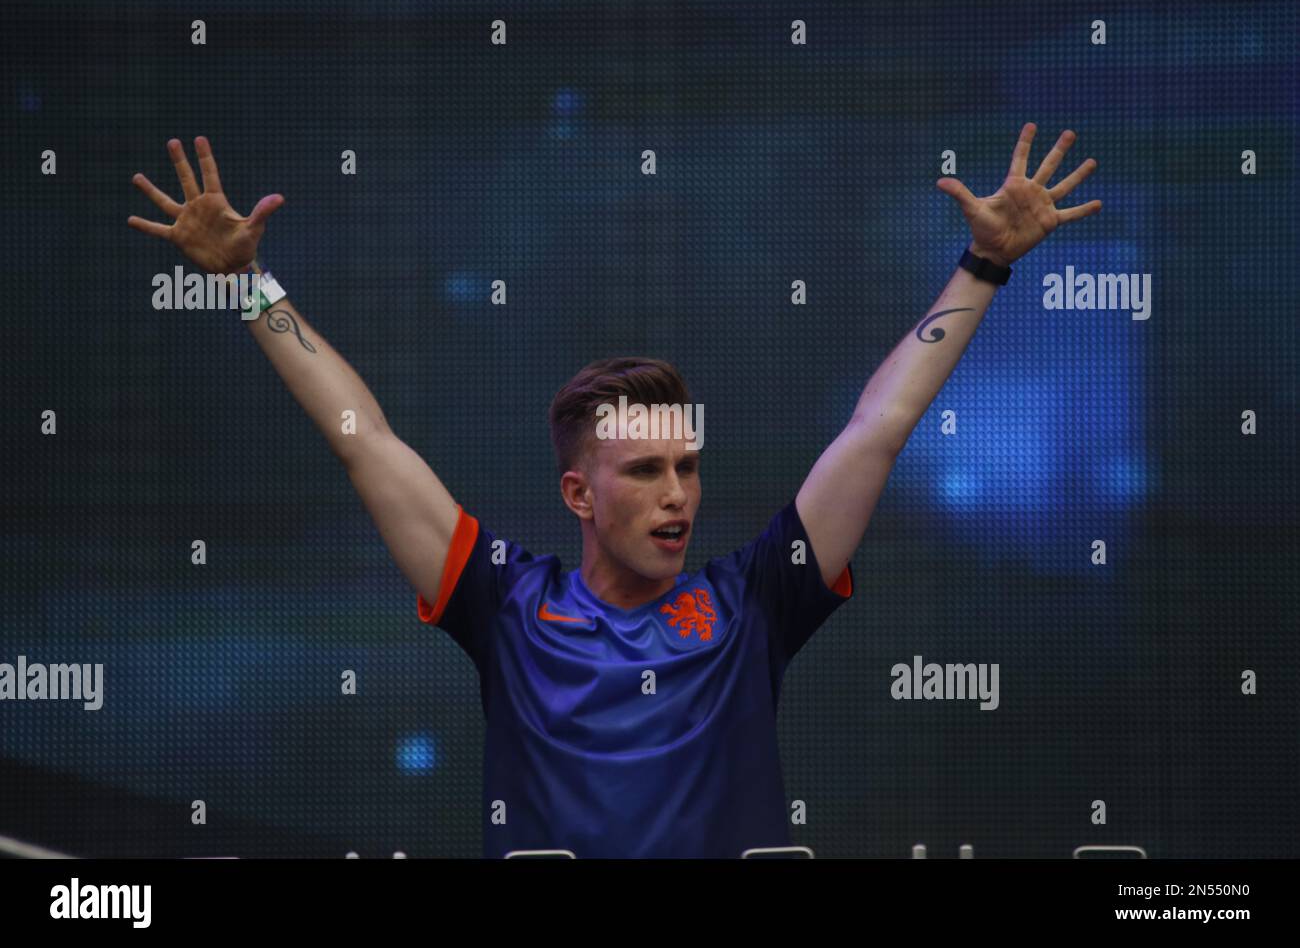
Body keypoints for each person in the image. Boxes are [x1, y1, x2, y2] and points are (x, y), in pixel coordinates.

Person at [128, 124, 1100, 857]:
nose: (678, 491)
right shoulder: (504, 599)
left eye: (686, 465)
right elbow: (366, 442)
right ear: (578, 493)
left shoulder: (754, 599)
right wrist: (250, 288)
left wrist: (983, 265)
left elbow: (875, 429)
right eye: (644, 469)